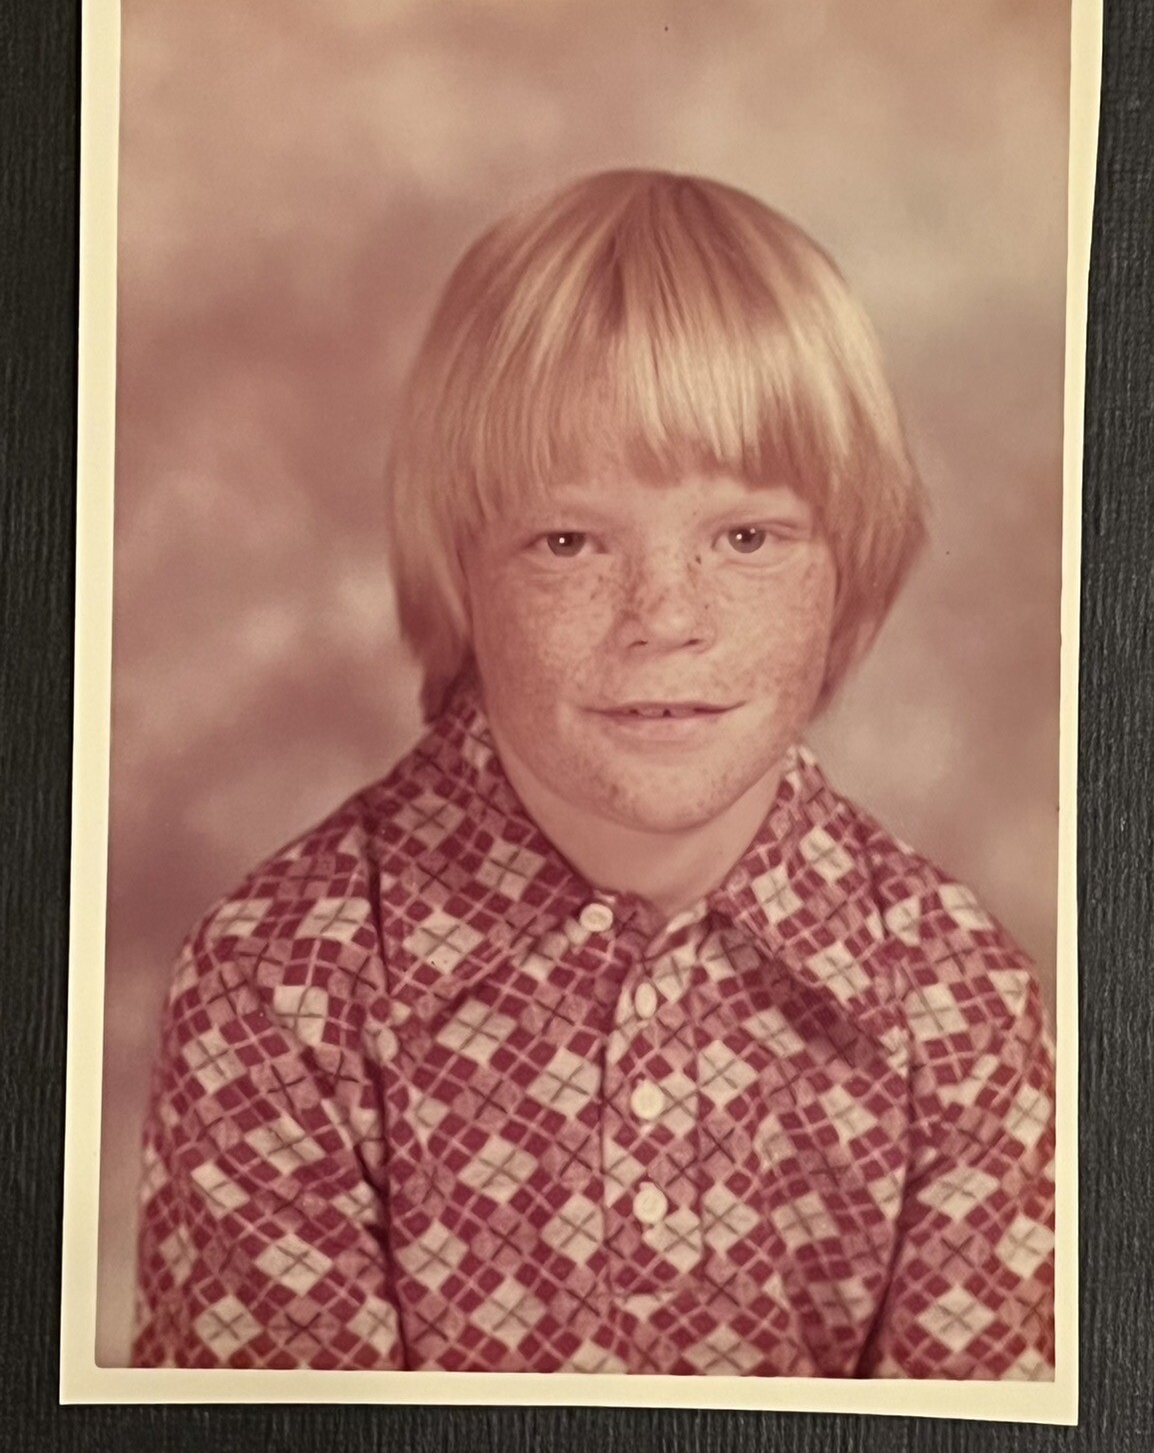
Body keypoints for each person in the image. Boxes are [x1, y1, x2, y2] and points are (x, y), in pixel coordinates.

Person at [132, 169, 1055, 1377]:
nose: (663, 618)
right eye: (567, 541)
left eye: (746, 536)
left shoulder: (960, 1004)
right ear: (460, 571)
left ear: (849, 564)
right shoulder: (279, 990)